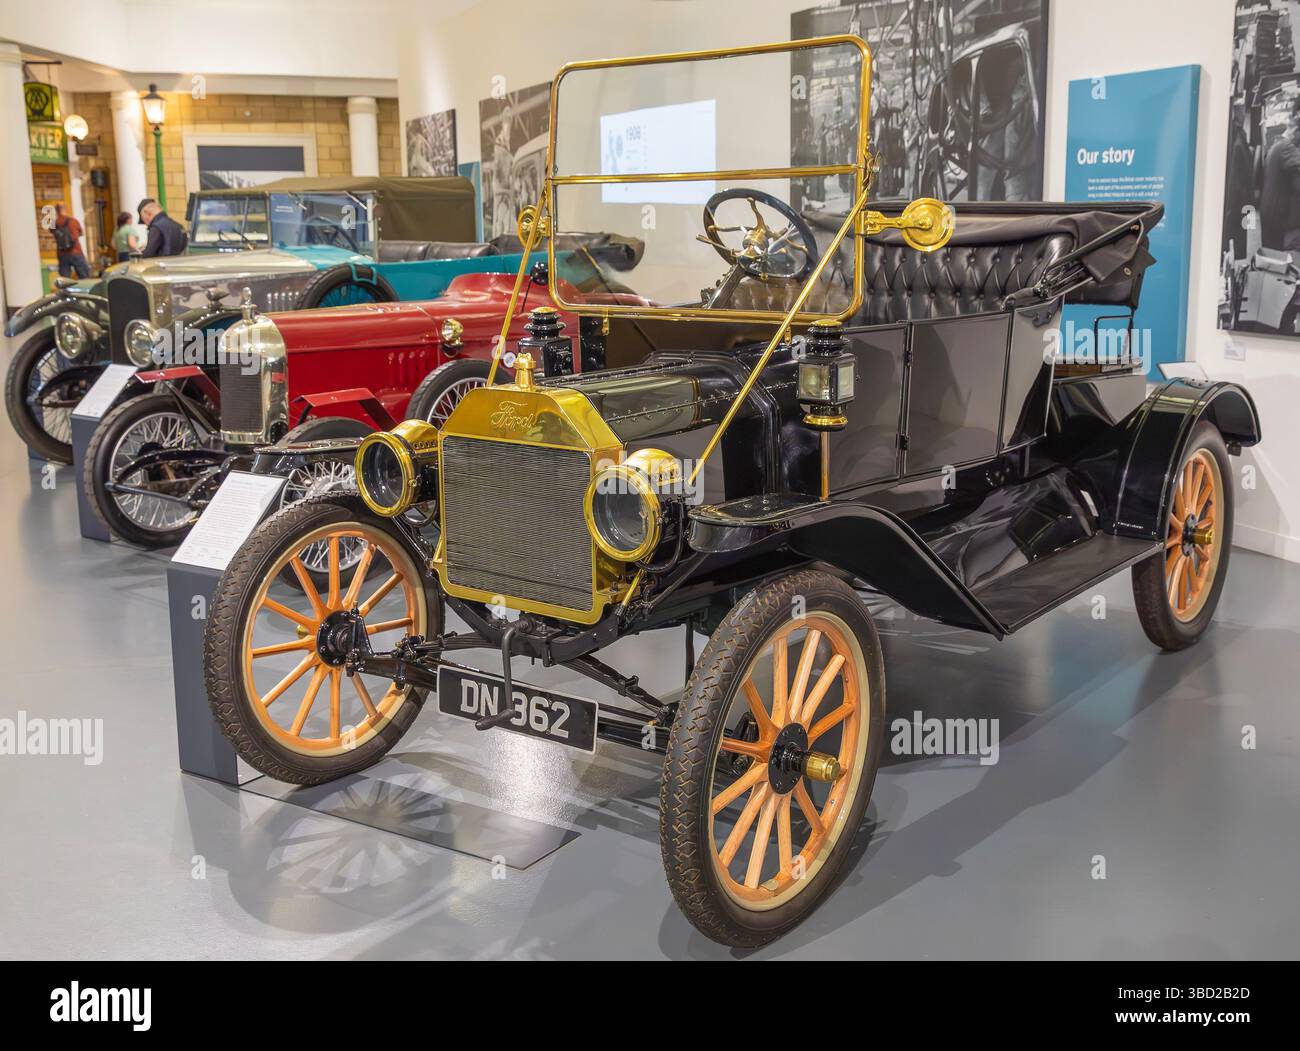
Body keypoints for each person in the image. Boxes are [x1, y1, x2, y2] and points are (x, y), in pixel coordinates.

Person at [1260, 98, 1300, 252]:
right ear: (1296, 131)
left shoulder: (1277, 146)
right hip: (1277, 214)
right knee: (1275, 257)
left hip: (1270, 212)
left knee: (1272, 256)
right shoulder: (1286, 148)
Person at [52, 204, 91, 278]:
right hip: (76, 251)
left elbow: (53, 232)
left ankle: (66, 290)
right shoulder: (73, 221)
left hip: (62, 253)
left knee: (65, 280)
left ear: (56, 211)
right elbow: (81, 233)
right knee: (84, 277)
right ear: (65, 209)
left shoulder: (54, 223)